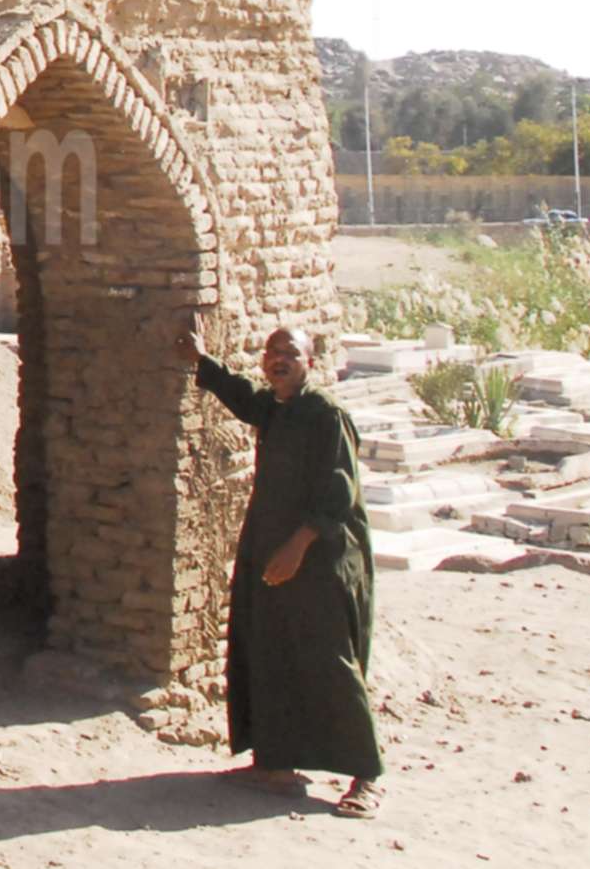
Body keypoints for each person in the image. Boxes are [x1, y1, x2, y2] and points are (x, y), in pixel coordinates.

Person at [172, 322, 385, 819]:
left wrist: (296, 547)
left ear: (310, 361)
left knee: (330, 661)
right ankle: (276, 765)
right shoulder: (279, 408)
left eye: (289, 352)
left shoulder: (325, 415)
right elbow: (244, 399)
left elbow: (337, 494)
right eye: (272, 352)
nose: (277, 359)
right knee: (272, 654)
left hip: (321, 562)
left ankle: (367, 775)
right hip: (276, 557)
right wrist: (202, 360)